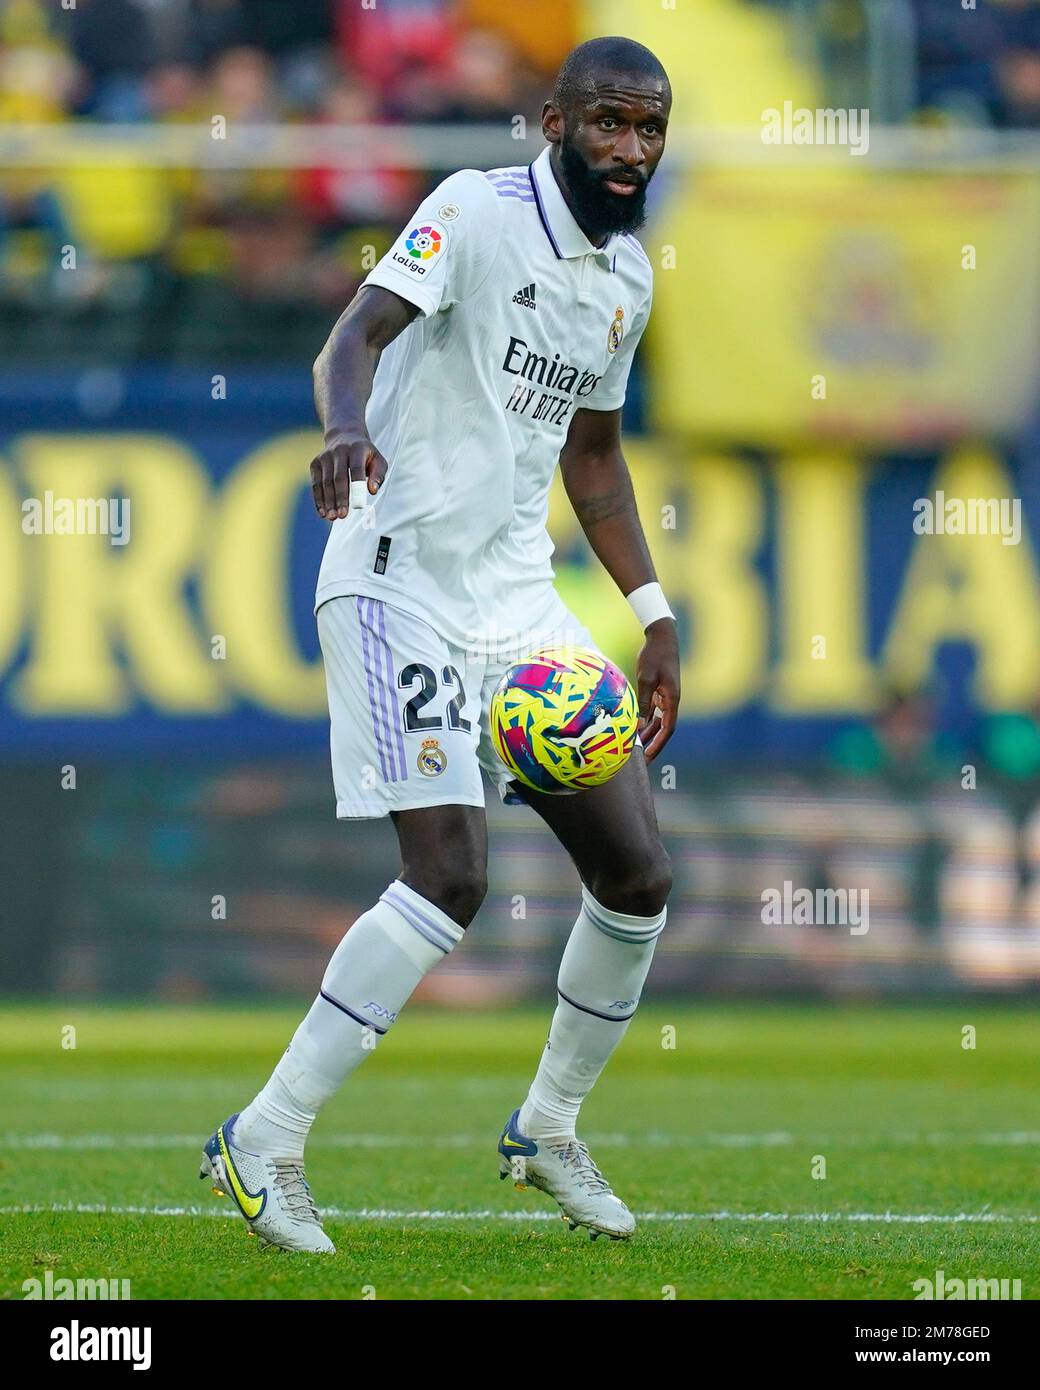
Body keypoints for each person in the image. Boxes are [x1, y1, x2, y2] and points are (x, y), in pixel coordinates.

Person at [200, 34, 679, 1252]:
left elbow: (592, 454)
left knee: (637, 874)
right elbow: (347, 337)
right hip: (395, 580)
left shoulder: (626, 277)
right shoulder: (472, 210)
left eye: (648, 128)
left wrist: (654, 612)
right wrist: (344, 430)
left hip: (518, 600)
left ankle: (548, 1126)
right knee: (450, 878)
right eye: (608, 123)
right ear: (551, 120)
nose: (629, 150)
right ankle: (262, 1139)